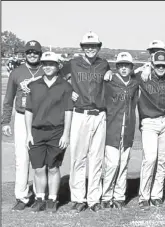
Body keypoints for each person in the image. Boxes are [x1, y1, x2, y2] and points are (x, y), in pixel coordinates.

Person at [63, 31, 110, 213]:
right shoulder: (73, 63)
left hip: (99, 114)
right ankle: (77, 198)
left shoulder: (103, 64)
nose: (90, 49)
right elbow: (58, 79)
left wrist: (109, 73)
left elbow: (111, 77)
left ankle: (93, 198)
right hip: (80, 114)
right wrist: (69, 91)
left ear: (99, 47)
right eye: (87, 46)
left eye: (94, 46)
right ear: (82, 47)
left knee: (96, 158)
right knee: (78, 157)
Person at [24, 51, 73, 213]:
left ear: (58, 66)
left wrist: (66, 134)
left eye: (51, 64)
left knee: (53, 167)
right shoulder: (34, 85)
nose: (48, 67)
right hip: (37, 132)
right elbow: (29, 111)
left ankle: (52, 199)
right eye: (45, 64)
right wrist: (28, 133)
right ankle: (40, 198)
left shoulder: (65, 86)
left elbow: (68, 111)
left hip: (56, 132)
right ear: (42, 66)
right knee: (38, 168)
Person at [1, 40, 43, 211]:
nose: (32, 54)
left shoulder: (47, 70)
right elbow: (8, 98)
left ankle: (41, 195)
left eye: (35, 52)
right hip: (21, 116)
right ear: (25, 54)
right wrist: (4, 121)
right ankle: (22, 196)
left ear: (40, 54)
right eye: (29, 52)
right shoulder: (17, 72)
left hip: (41, 118)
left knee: (41, 157)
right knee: (21, 158)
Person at [99, 52, 140, 209]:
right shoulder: (109, 81)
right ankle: (106, 195)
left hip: (128, 129)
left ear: (131, 67)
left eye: (127, 65)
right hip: (112, 128)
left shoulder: (134, 83)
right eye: (121, 65)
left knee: (123, 164)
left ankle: (119, 196)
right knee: (112, 164)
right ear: (117, 67)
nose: (124, 68)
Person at [136, 51, 165, 211]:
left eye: (163, 65)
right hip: (149, 122)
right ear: (152, 65)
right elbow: (124, 73)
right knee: (150, 158)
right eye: (157, 65)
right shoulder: (143, 77)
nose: (160, 68)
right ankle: (144, 196)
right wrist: (143, 68)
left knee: (162, 159)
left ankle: (156, 194)